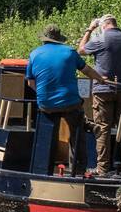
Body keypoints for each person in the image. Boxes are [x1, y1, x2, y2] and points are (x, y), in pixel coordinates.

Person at [26, 25, 108, 176]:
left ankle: (43, 170)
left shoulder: (34, 54)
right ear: (59, 40)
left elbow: (30, 83)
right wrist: (100, 79)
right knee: (77, 135)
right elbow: (87, 70)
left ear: (44, 40)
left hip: (46, 104)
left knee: (49, 136)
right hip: (70, 102)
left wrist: (43, 95)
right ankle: (78, 170)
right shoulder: (70, 52)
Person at [77, 14, 121, 175]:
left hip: (103, 90)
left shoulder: (101, 38)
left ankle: (103, 169)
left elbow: (81, 50)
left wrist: (90, 29)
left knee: (103, 128)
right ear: (114, 23)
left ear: (103, 25)